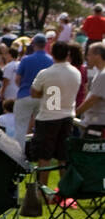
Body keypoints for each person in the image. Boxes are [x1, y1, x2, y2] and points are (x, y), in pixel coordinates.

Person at [28, 41, 81, 189]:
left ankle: (42, 188)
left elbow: (34, 92)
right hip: (67, 115)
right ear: (68, 54)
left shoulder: (46, 73)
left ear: (52, 54)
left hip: (48, 117)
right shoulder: (75, 72)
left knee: (44, 156)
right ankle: (65, 189)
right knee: (62, 157)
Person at [13, 34, 53, 141]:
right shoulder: (51, 60)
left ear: (34, 44)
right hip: (43, 97)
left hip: (25, 95)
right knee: (42, 129)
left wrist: (23, 87)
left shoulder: (26, 60)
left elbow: (17, 79)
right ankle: (40, 154)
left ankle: (19, 155)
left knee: (20, 128)